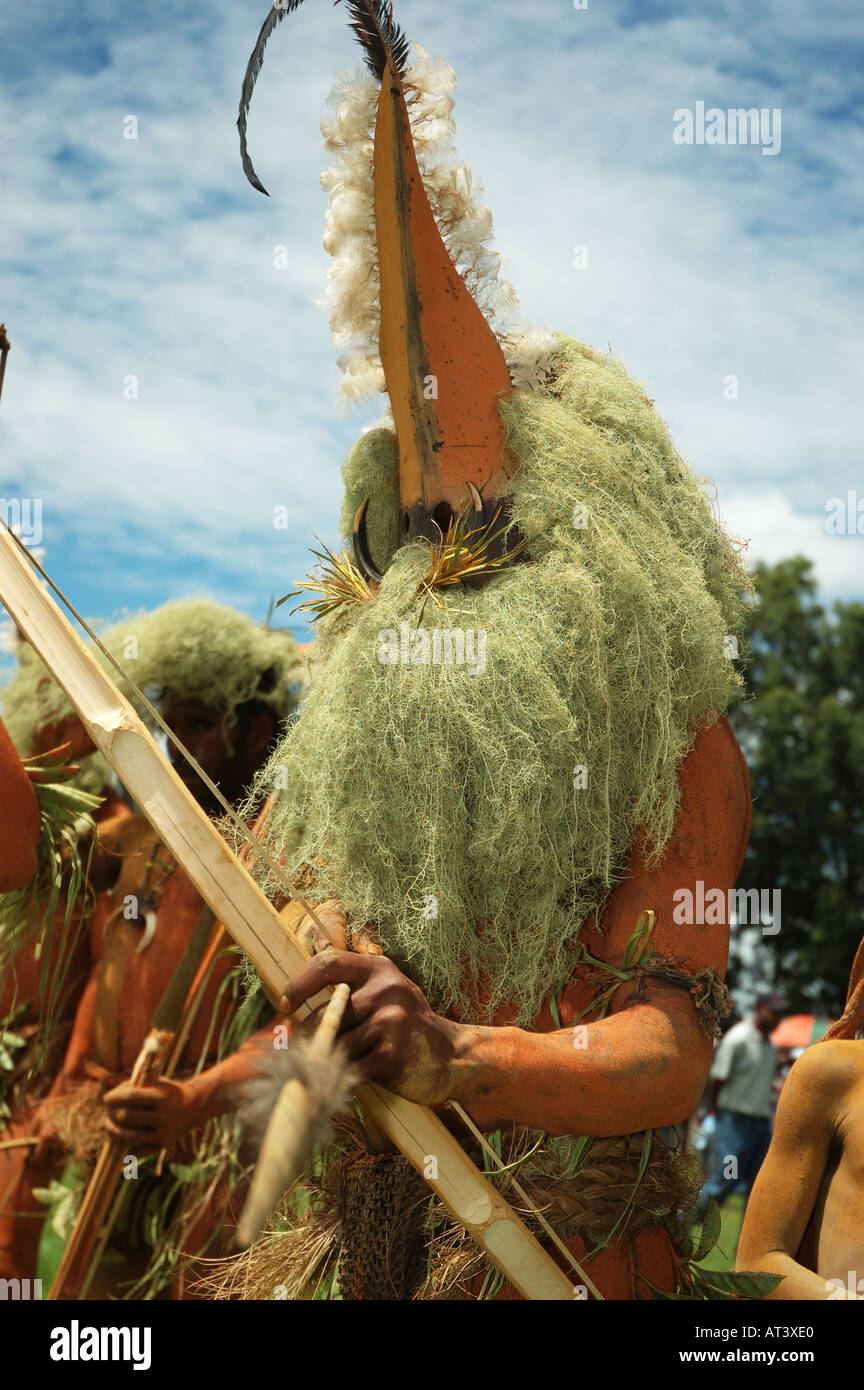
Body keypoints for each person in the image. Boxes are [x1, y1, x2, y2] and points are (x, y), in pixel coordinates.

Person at [216, 2, 757, 1302]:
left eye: (474, 536)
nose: (431, 573)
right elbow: (316, 980)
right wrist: (203, 1090)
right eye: (416, 533)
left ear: (588, 535)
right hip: (371, 1251)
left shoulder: (679, 745)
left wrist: (466, 1055)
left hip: (563, 1264)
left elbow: (673, 1047)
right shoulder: (380, 770)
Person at [0, 600, 299, 1297]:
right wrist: (70, 1091)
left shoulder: (287, 864)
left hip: (217, 1176)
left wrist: (196, 1098)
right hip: (116, 1160)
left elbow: (307, 1026)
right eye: (167, 721)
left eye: (195, 725)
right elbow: (97, 954)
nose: (171, 743)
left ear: (256, 732)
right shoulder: (141, 841)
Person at [735, 939, 864, 1299]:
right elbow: (758, 1263)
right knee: (724, 1181)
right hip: (742, 1117)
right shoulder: (835, 1069)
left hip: (756, 1118)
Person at [694, 992, 788, 1217]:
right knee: (726, 1178)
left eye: (780, 1014)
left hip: (759, 1127)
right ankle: (681, 1220)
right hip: (733, 1124)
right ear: (759, 1009)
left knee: (757, 1188)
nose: (777, 1019)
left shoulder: (769, 1046)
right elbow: (717, 1078)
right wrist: (714, 1111)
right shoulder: (739, 1038)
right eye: (773, 1012)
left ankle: (748, 1248)